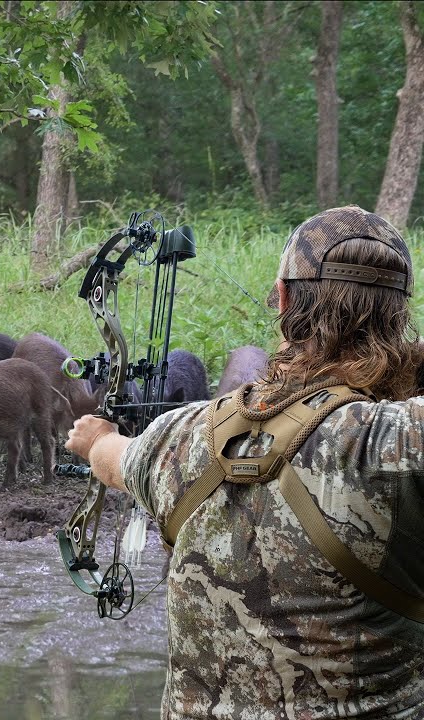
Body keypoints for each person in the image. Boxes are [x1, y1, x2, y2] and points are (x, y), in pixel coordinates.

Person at [66, 205, 424, 719]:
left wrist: (94, 436)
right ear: (401, 316)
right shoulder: (396, 443)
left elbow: (112, 457)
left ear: (281, 300)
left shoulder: (182, 434)